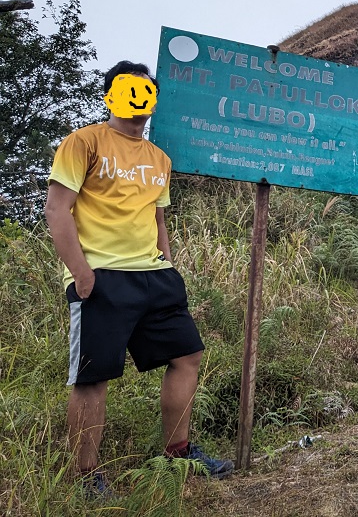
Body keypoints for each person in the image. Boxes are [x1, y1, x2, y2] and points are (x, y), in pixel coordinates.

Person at [45, 60, 233, 499]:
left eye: (147, 90)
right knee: (93, 378)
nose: (139, 98)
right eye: (130, 89)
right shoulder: (83, 142)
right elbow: (57, 209)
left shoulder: (158, 158)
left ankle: (178, 452)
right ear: (111, 94)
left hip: (155, 278)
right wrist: (82, 275)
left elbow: (158, 218)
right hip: (102, 278)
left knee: (187, 356)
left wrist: (168, 265)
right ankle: (85, 477)